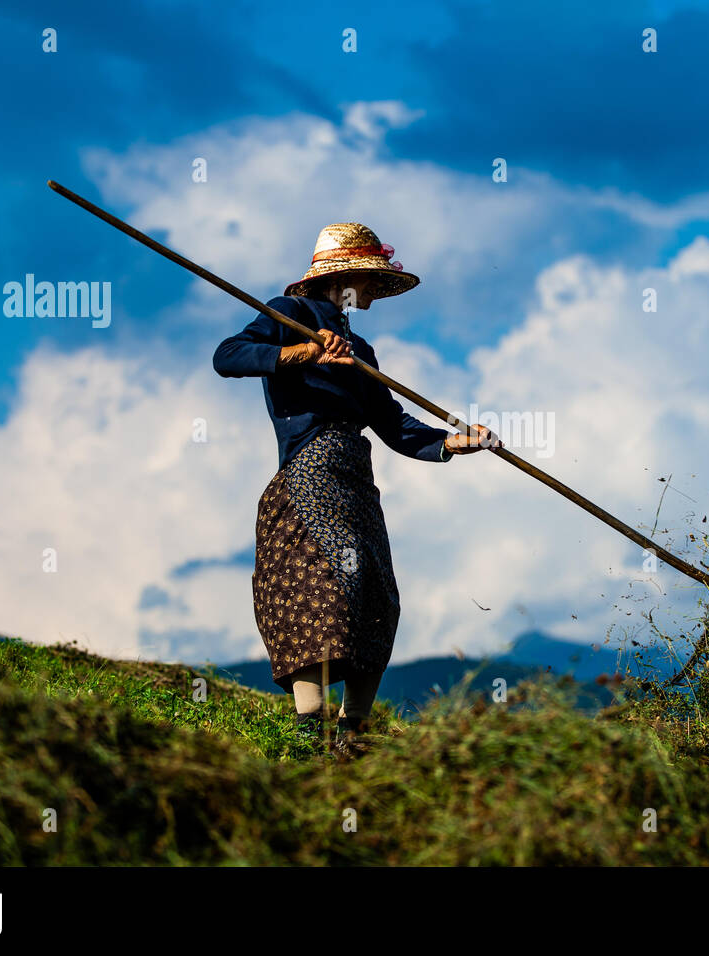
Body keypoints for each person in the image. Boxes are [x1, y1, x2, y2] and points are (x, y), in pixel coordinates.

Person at [213, 222, 498, 748]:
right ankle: (311, 727)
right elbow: (228, 356)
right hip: (309, 474)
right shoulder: (290, 314)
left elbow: (394, 426)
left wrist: (456, 442)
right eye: (368, 282)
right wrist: (303, 354)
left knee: (375, 591)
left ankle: (355, 732)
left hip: (356, 480)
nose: (371, 293)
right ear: (344, 277)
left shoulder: (361, 350)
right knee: (321, 588)